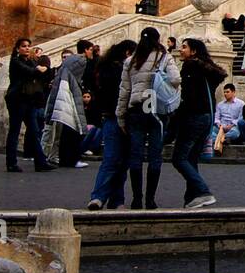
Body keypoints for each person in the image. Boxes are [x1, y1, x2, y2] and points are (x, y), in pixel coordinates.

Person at [116, 27, 180, 209]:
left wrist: (120, 116)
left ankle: (137, 198)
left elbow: (124, 90)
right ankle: (150, 200)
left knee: (135, 155)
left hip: (136, 109)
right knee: (155, 155)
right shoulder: (164, 57)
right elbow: (176, 79)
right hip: (156, 109)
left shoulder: (130, 61)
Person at [170, 38, 225, 208]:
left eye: (184, 47)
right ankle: (192, 198)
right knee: (191, 158)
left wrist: (175, 120)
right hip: (207, 116)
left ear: (193, 51)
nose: (181, 50)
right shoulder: (208, 70)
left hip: (193, 117)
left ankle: (203, 191)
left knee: (178, 158)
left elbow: (188, 98)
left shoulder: (191, 66)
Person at [87, 40, 136, 208]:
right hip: (122, 118)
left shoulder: (104, 68)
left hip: (108, 116)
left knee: (112, 160)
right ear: (128, 53)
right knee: (120, 162)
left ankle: (104, 198)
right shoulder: (122, 70)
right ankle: (110, 199)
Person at [5, 38, 54, 173]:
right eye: (24, 46)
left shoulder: (31, 61)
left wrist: (43, 68)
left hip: (29, 100)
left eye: (28, 46)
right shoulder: (16, 61)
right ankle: (11, 163)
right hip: (17, 100)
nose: (27, 48)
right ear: (17, 49)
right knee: (14, 131)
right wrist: (39, 68)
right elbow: (30, 72)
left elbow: (46, 74)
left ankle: (40, 162)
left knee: (34, 131)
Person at [212, 83, 245, 152]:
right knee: (210, 132)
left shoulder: (241, 104)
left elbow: (241, 118)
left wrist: (231, 125)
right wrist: (219, 125)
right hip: (220, 127)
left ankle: (220, 138)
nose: (225, 94)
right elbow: (216, 117)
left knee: (235, 133)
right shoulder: (220, 104)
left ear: (233, 92)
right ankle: (224, 139)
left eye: (227, 92)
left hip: (233, 127)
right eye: (224, 92)